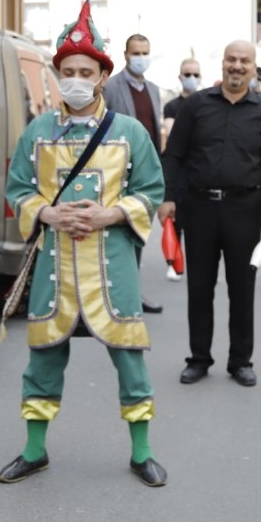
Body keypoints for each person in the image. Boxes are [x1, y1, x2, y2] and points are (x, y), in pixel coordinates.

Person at [0, 0, 168, 487]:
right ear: (57, 76)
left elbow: (152, 190)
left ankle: (142, 452)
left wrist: (112, 213)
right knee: (44, 360)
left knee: (130, 363)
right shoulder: (38, 131)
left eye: (84, 71)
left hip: (113, 266)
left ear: (101, 76)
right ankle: (34, 450)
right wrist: (47, 212)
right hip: (56, 266)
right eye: (67, 71)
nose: (75, 78)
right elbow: (18, 189)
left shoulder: (130, 132)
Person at [159, 40, 261, 388]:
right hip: (198, 208)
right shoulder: (197, 106)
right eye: (231, 60)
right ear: (222, 64)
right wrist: (168, 197)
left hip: (244, 211)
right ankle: (199, 359)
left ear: (253, 68)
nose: (237, 66)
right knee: (199, 289)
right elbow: (174, 155)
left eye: (244, 61)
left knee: (241, 289)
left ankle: (240, 361)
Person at [103, 33, 164, 314]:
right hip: (118, 170)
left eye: (145, 53)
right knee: (118, 235)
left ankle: (132, 292)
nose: (141, 58)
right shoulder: (112, 87)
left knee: (139, 231)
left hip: (145, 173)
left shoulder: (152, 89)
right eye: (136, 53)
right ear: (125, 55)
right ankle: (116, 294)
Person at [161, 58, 202, 282]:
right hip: (178, 170)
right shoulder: (172, 106)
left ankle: (194, 263)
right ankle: (173, 262)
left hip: (198, 171)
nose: (192, 79)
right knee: (175, 219)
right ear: (180, 77)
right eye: (188, 74)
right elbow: (173, 135)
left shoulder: (205, 103)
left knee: (196, 221)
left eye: (195, 74)